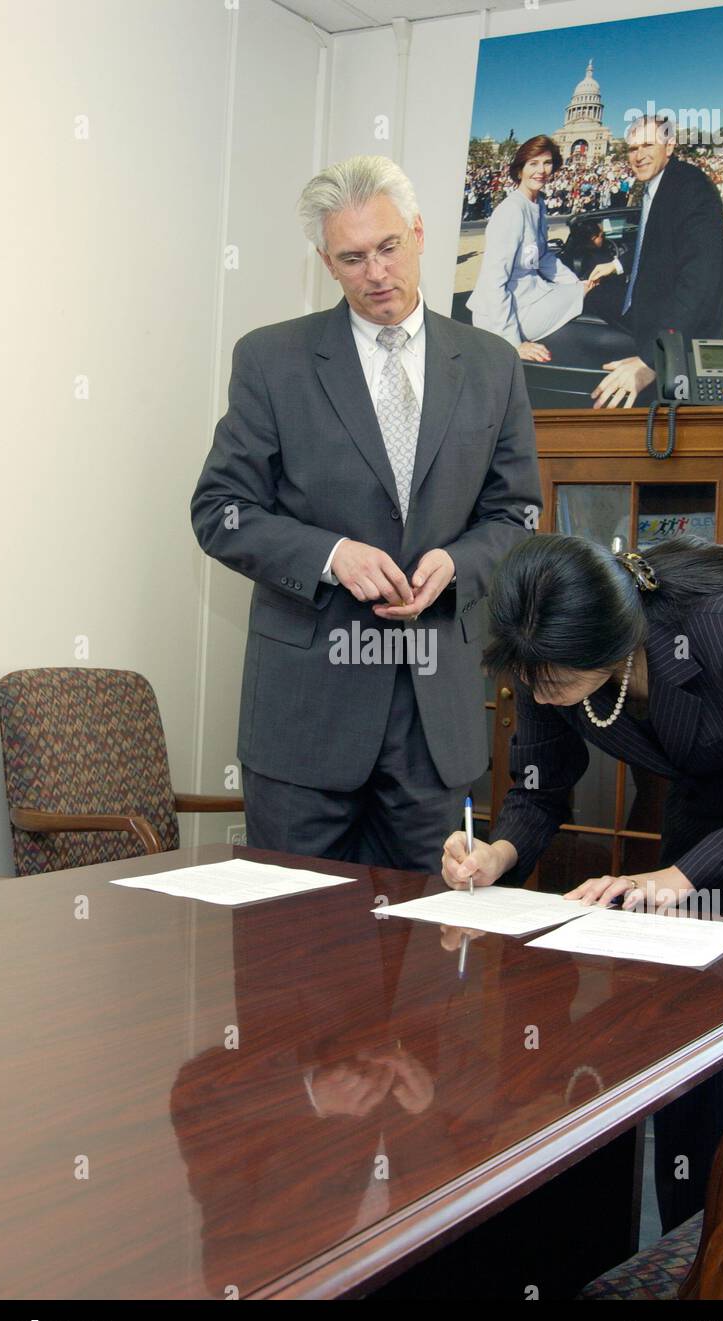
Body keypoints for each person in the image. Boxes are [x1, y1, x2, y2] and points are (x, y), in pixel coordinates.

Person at [441, 533, 723, 1231]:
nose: (539, 691)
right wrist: (497, 853)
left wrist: (679, 874)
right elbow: (540, 788)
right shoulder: (544, 660)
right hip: (711, 797)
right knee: (684, 1012)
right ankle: (693, 1238)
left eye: (551, 676)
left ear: (612, 642)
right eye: (529, 677)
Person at [190, 155, 540, 873]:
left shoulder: (491, 363)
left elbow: (516, 513)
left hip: (434, 720)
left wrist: (457, 564)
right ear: (326, 261)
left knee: (437, 960)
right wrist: (330, 556)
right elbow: (219, 510)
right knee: (288, 959)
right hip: (303, 723)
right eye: (352, 258)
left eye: (387, 248)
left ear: (417, 233)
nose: (375, 272)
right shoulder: (271, 360)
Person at [591, 114, 723, 408]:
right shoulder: (660, 183)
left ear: (669, 146)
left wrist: (652, 360)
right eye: (632, 148)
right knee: (586, 297)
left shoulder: (691, 188)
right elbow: (653, 244)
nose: (638, 156)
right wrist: (617, 266)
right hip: (641, 314)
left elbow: (700, 284)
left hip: (672, 333)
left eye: (647, 145)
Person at [466, 136, 599, 365]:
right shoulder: (511, 211)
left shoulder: (538, 204)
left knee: (588, 288)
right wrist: (512, 342)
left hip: (529, 297)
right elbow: (493, 281)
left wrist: (575, 283)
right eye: (533, 163)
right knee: (591, 294)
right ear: (520, 170)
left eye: (547, 163)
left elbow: (543, 256)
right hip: (503, 314)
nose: (541, 170)